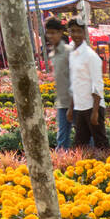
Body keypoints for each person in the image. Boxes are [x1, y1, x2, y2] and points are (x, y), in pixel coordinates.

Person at [68, 19, 109, 152]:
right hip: (80, 107)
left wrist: (95, 112)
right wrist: (71, 107)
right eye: (73, 31)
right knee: (80, 147)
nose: (76, 35)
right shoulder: (73, 55)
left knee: (101, 144)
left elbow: (97, 84)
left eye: (79, 31)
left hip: (92, 107)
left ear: (84, 33)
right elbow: (75, 83)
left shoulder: (91, 56)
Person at [45, 19, 72, 150]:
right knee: (62, 138)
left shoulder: (69, 51)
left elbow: (75, 79)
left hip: (76, 102)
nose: (50, 36)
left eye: (54, 33)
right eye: (48, 33)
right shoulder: (52, 54)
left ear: (61, 33)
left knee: (85, 137)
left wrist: (72, 105)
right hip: (62, 103)